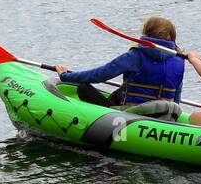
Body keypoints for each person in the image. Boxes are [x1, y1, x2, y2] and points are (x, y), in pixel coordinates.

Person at [53, 16, 184, 117]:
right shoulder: (179, 61)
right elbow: (176, 98)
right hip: (164, 115)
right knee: (120, 91)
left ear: (147, 33)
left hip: (132, 113)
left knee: (83, 88)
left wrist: (66, 76)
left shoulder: (135, 55)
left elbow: (99, 75)